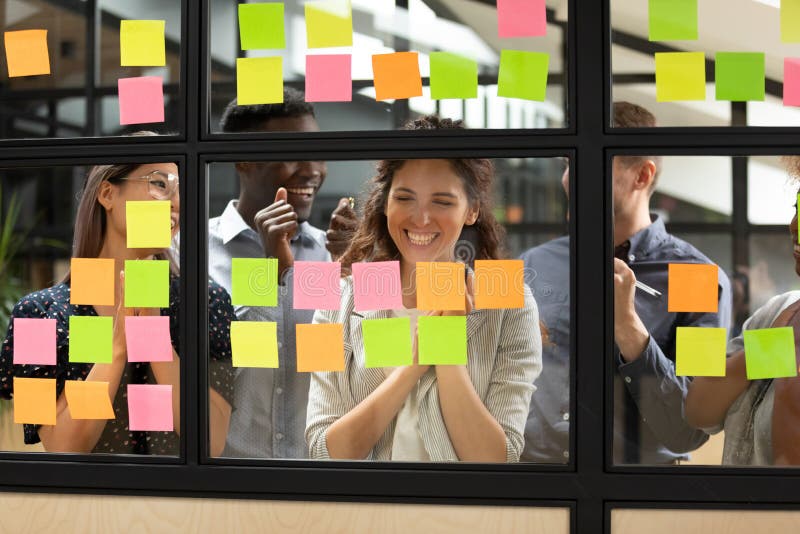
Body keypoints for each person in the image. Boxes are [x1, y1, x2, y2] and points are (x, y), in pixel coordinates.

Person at [305, 116, 542, 462]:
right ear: (385, 202)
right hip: (362, 514)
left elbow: (497, 459)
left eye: (442, 202)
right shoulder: (336, 298)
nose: (421, 218)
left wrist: (445, 350)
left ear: (472, 210)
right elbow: (323, 452)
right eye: (405, 198)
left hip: (457, 513)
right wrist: (414, 365)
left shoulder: (511, 300)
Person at [519, 102, 732, 464]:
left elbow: (691, 427)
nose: (570, 178)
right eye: (569, 163)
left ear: (642, 176)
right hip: (536, 494)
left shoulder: (697, 279)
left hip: (638, 502)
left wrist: (629, 329)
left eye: (591, 161)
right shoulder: (534, 264)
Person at [0, 155, 234, 455]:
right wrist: (118, 347)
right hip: (87, 501)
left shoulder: (207, 304)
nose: (176, 203)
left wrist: (153, 337)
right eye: (160, 185)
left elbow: (210, 442)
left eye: (181, 192)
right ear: (108, 194)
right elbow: (62, 447)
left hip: (179, 501)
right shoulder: (37, 316)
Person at [209, 88, 358, 459]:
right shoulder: (190, 252)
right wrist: (270, 270)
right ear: (242, 160)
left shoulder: (334, 252)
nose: (312, 170)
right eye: (293, 153)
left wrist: (355, 273)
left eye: (319, 154)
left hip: (321, 479)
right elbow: (212, 368)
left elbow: (373, 366)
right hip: (225, 483)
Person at [685, 157, 800, 466]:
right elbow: (698, 412)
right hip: (747, 513)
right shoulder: (777, 311)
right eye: (797, 209)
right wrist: (770, 350)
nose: (794, 227)